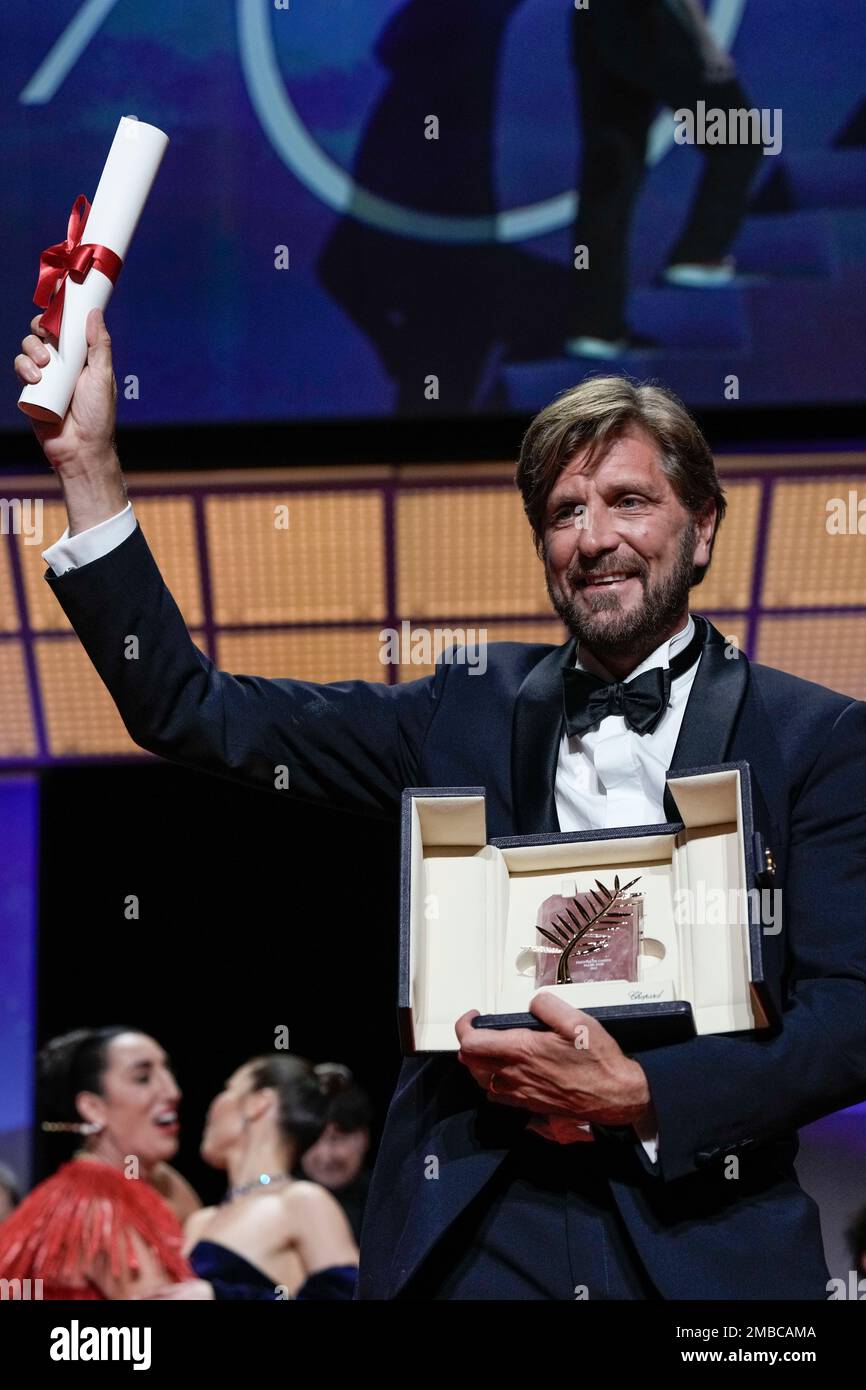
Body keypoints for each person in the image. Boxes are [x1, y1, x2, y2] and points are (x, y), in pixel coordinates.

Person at [15, 309, 866, 1299]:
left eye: (627, 501)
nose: (593, 538)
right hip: (474, 1230)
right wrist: (88, 466)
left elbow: (847, 1017)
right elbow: (187, 707)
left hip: (700, 1239)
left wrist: (642, 1094)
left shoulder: (816, 738)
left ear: (702, 523)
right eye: (562, 512)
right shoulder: (463, 703)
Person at [566, 0, 763, 357]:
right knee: (741, 138)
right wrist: (705, 43)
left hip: (594, 25)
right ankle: (700, 254)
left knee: (609, 179)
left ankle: (595, 327)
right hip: (650, 24)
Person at [0, 1027, 194, 1298]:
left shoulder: (161, 1182)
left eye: (167, 1071)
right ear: (94, 1108)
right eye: (143, 1078)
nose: (172, 1091)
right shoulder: (96, 1206)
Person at [152, 1056, 357, 1300]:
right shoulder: (199, 1220)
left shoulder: (302, 1201)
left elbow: (353, 1296)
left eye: (228, 1089)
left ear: (258, 1103)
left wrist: (219, 1296)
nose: (212, 1105)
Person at [298, 1065, 372, 1244]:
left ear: (364, 1138)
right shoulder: (275, 1205)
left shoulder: (393, 1203)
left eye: (338, 1139)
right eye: (313, 1139)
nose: (325, 1156)